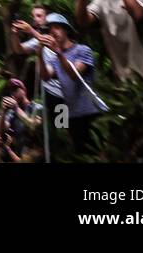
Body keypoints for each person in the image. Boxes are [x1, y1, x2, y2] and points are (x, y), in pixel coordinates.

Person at [38, 12, 107, 153]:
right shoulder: (54, 60)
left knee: (98, 153)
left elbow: (74, 75)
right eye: (50, 30)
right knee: (79, 153)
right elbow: (45, 77)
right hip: (73, 116)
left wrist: (58, 52)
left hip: (92, 113)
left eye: (56, 27)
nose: (52, 32)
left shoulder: (83, 50)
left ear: (66, 30)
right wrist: (39, 54)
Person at [0, 78, 42, 162]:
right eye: (11, 91)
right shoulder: (12, 112)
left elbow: (34, 125)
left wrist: (16, 108)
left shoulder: (36, 107)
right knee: (0, 142)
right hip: (20, 153)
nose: (13, 94)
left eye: (15, 89)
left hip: (36, 153)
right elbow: (1, 130)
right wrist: (2, 111)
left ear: (23, 90)